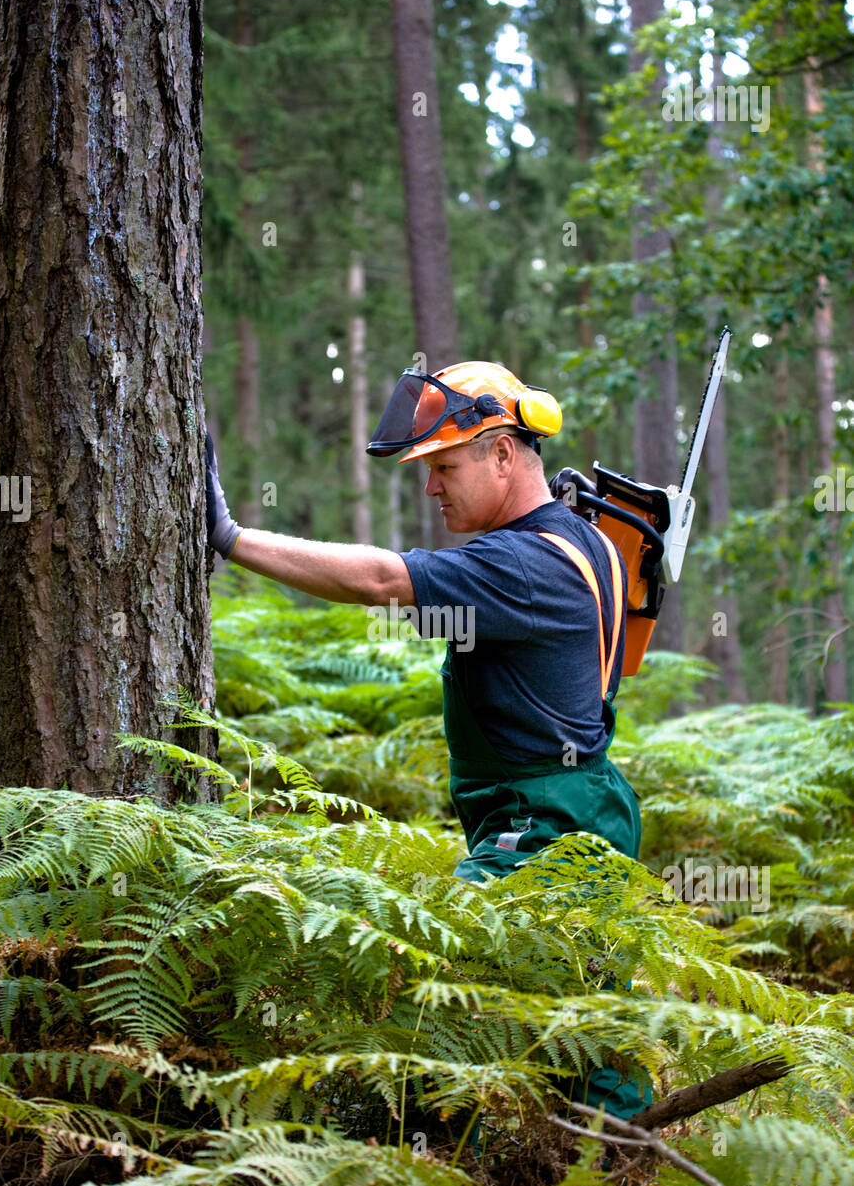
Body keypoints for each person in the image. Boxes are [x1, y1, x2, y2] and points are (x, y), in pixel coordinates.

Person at [205, 359, 652, 1120]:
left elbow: (381, 581)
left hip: (544, 829)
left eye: (444, 467)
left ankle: (483, 1179)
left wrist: (230, 537)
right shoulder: (593, 541)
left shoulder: (521, 563)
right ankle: (616, 1179)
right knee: (582, 1026)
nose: (431, 487)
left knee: (423, 976)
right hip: (587, 807)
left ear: (504, 454)